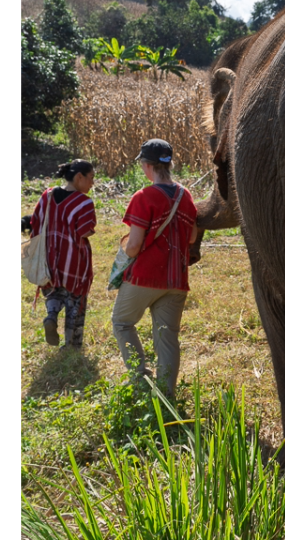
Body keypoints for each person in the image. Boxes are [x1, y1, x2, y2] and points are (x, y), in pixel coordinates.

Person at [111, 138, 200, 404]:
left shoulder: (144, 197)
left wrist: (122, 260)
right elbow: (192, 237)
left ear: (147, 165)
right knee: (167, 337)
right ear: (169, 164)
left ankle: (140, 381)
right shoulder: (186, 196)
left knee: (122, 322)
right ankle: (166, 396)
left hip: (145, 277)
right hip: (176, 280)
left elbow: (134, 245)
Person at [23, 159, 97, 348]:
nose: (92, 183)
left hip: (48, 259)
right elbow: (85, 231)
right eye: (91, 178)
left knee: (54, 291)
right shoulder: (84, 202)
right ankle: (72, 345)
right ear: (79, 177)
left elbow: (36, 222)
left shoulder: (47, 195)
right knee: (75, 300)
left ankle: (51, 316)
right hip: (74, 260)